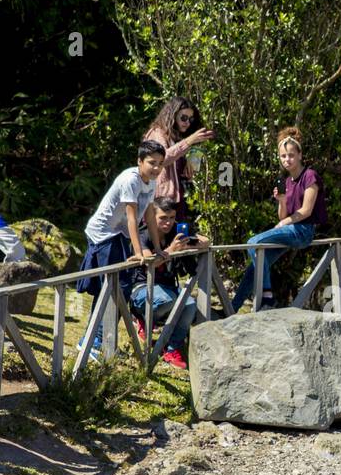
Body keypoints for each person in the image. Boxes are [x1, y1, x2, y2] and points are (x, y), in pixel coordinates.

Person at [76, 141, 167, 359]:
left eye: (160, 164)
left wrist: (157, 248)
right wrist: (138, 251)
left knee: (119, 288)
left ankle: (103, 341)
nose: (156, 168)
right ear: (139, 161)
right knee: (113, 287)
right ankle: (91, 342)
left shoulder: (151, 182)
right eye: (151, 163)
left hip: (118, 235)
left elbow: (149, 217)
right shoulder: (130, 180)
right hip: (104, 234)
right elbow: (131, 217)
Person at [229, 127, 327, 313]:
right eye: (283, 156)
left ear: (299, 155)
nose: (286, 159)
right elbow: (283, 217)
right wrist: (282, 201)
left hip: (303, 231)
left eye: (290, 155)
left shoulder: (310, 176)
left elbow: (306, 211)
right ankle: (232, 308)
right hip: (290, 232)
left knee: (253, 242)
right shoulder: (287, 182)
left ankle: (267, 297)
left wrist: (283, 222)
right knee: (256, 264)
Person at [122, 197, 206, 369]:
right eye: (163, 218)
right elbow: (148, 261)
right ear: (151, 217)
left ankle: (172, 348)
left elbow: (206, 241)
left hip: (168, 288)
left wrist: (188, 245)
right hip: (142, 289)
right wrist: (171, 250)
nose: (168, 223)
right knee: (168, 300)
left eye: (172, 218)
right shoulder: (143, 234)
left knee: (189, 304)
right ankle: (142, 318)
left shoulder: (176, 232)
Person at [141, 97, 214, 221]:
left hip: (175, 200)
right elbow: (161, 159)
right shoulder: (157, 133)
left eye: (191, 119)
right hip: (160, 202)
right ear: (172, 115)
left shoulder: (176, 137)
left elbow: (177, 162)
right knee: (158, 239)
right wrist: (189, 141)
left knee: (180, 238)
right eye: (183, 118)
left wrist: (190, 161)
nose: (187, 122)